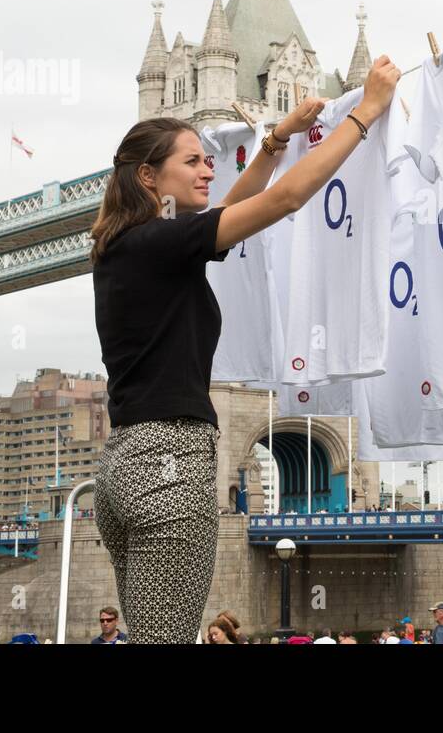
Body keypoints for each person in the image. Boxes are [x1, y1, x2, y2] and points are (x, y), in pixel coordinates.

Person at [89, 56, 399, 643]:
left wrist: (277, 139)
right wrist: (365, 113)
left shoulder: (130, 245)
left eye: (210, 159)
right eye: (193, 162)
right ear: (149, 177)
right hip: (170, 464)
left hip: (123, 467)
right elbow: (282, 203)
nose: (208, 170)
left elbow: (233, 210)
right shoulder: (160, 241)